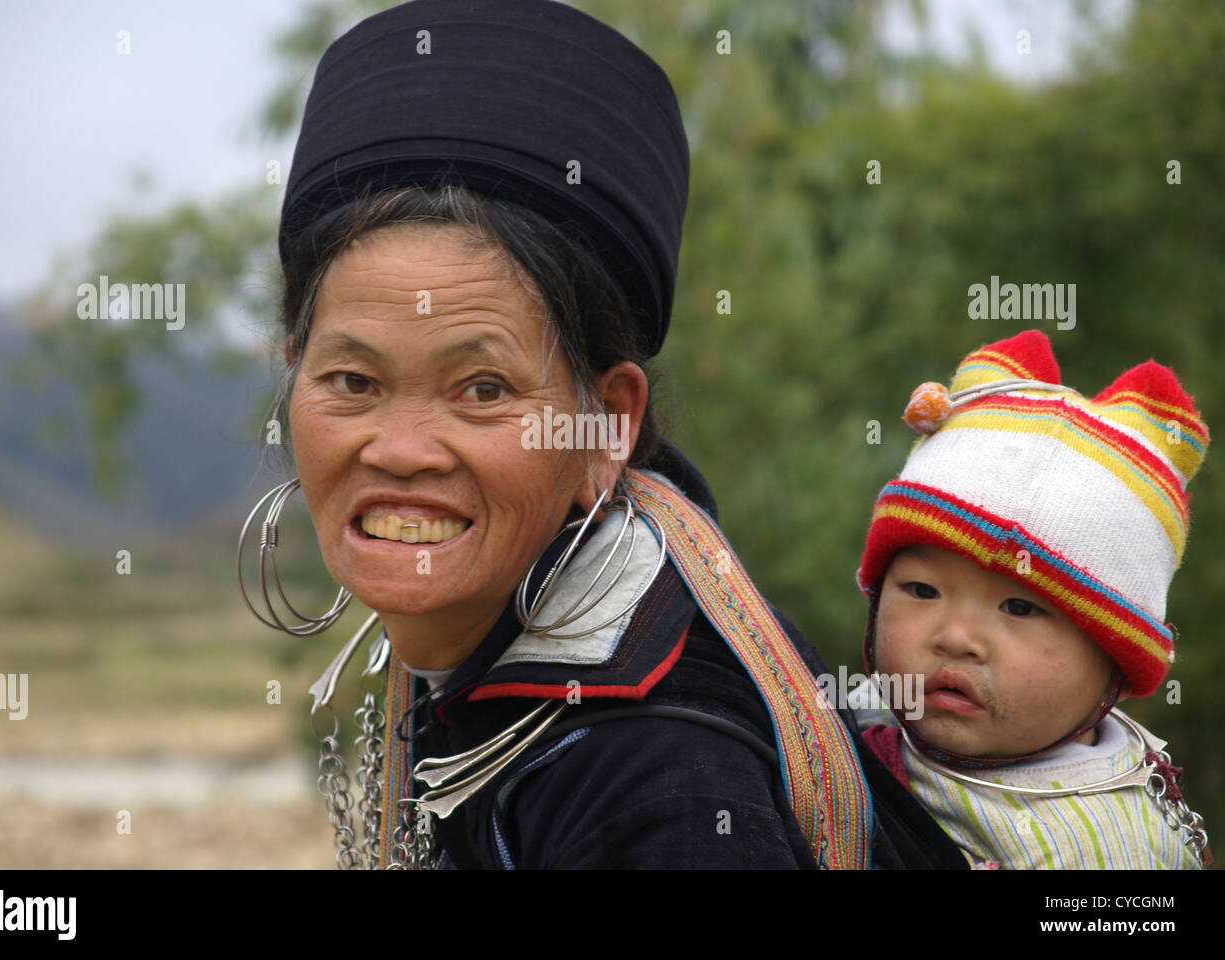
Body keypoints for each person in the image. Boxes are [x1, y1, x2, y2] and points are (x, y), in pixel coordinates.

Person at [241, 0, 965, 869]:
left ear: (606, 424)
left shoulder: (663, 785)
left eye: (481, 389)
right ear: (293, 374)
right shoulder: (484, 668)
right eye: (352, 382)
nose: (401, 450)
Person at [850, 328, 1210, 869]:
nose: (954, 638)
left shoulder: (1109, 854)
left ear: (1115, 658)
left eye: (1019, 608)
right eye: (922, 591)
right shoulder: (840, 722)